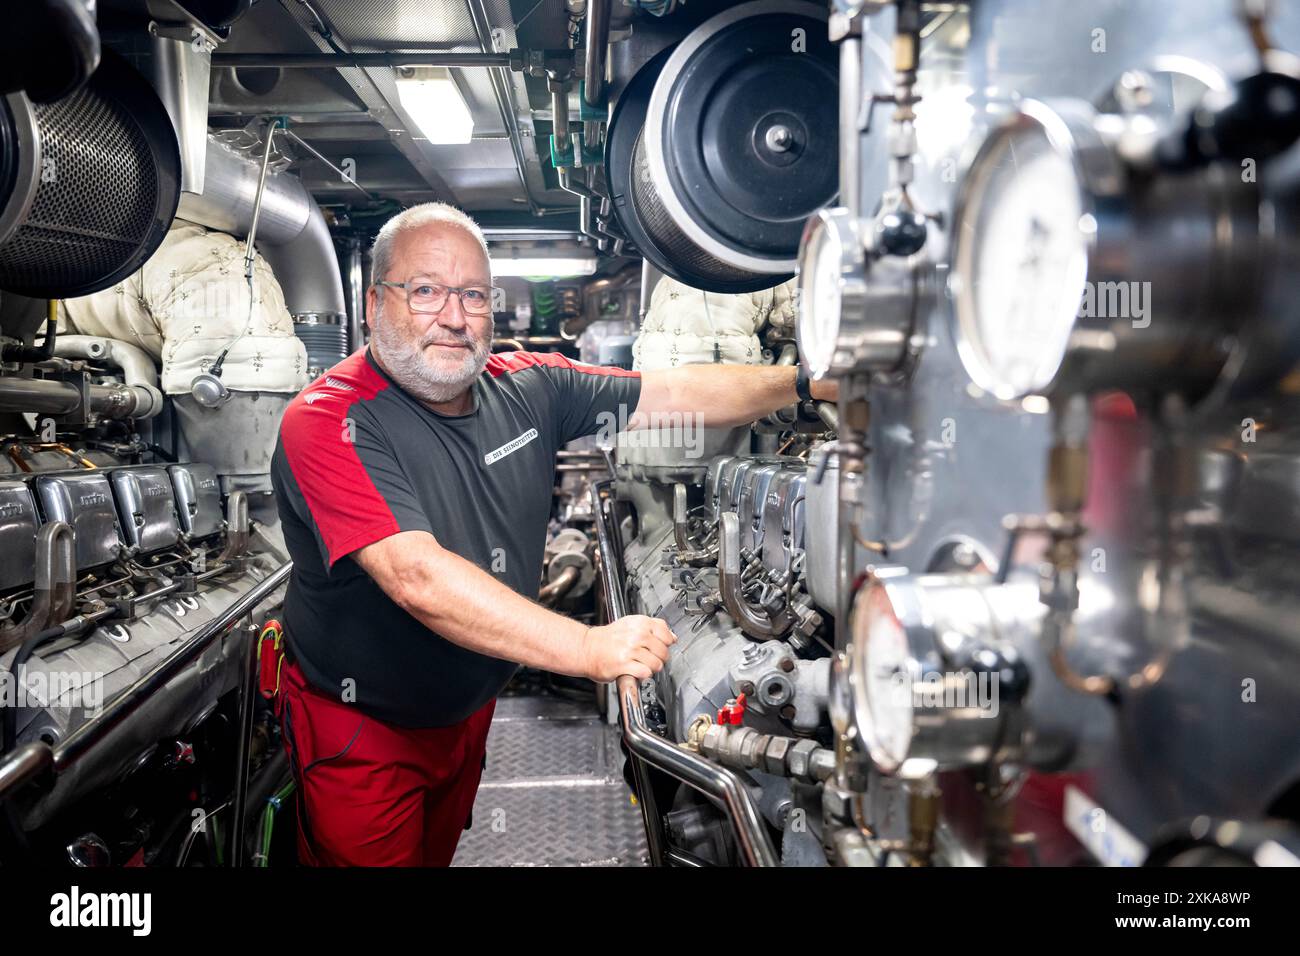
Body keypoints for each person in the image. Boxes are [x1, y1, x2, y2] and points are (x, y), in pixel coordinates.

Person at [269, 202, 835, 866]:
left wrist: (805, 382)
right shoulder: (329, 420)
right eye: (425, 291)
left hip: (465, 710)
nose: (454, 316)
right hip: (364, 728)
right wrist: (588, 647)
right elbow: (416, 578)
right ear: (374, 303)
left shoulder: (528, 387)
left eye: (473, 294)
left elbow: (677, 393)